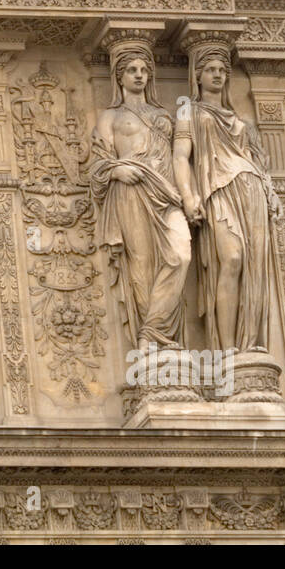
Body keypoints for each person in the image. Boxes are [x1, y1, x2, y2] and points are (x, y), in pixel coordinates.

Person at [173, 45, 281, 354]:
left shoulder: (240, 121)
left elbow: (259, 163)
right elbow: (181, 157)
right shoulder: (188, 112)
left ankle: (250, 345)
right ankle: (227, 347)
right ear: (198, 76)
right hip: (217, 190)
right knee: (231, 259)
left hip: (251, 189)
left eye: (222, 70)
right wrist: (189, 196)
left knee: (253, 267)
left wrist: (270, 191)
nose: (218, 75)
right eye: (211, 70)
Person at [89, 47, 192, 349]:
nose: (139, 75)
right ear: (119, 76)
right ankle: (152, 341)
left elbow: (181, 159)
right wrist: (117, 171)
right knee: (141, 264)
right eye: (132, 70)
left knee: (179, 254)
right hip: (131, 189)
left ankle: (154, 328)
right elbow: (98, 162)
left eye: (143, 70)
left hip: (166, 193)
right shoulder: (111, 116)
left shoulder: (163, 115)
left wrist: (188, 195)